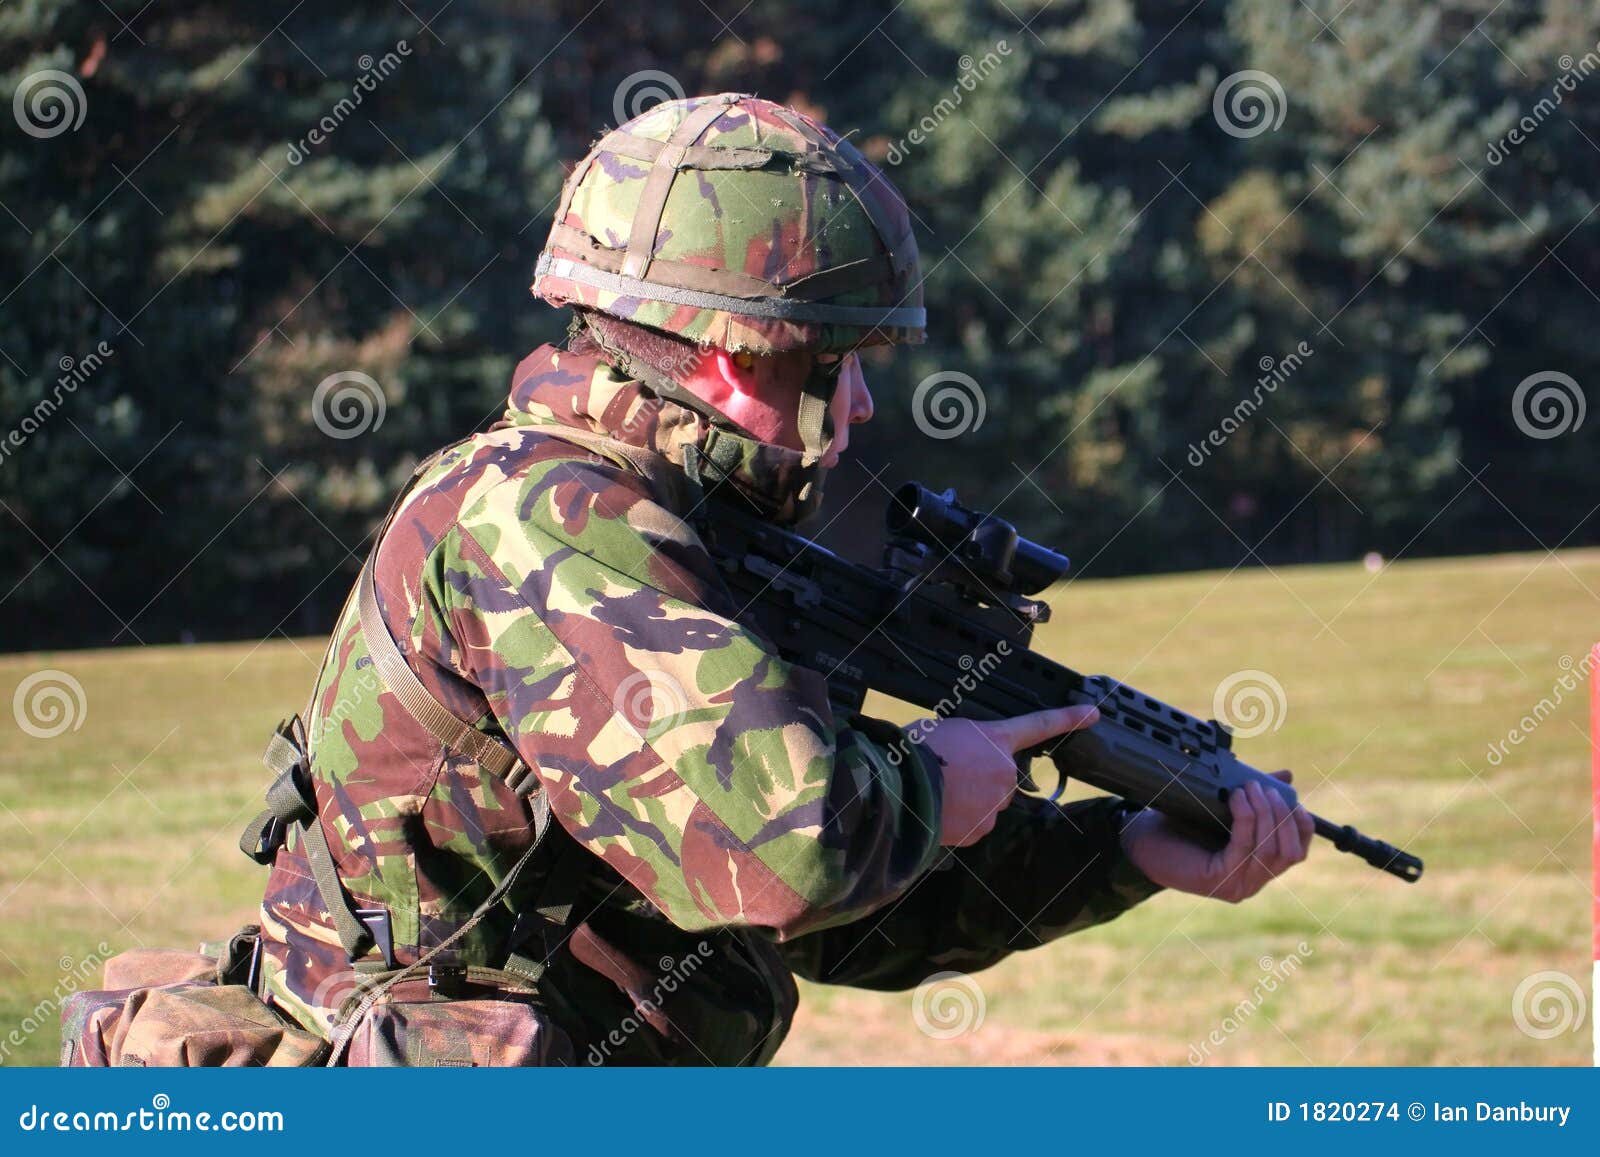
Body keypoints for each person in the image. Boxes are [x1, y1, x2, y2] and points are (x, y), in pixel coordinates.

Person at [244, 92, 1313, 1066]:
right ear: (738, 354)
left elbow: (843, 915)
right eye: (836, 364)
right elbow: (788, 854)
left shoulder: (687, 531)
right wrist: (928, 781)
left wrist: (1125, 849)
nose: (861, 406)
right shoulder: (549, 519)